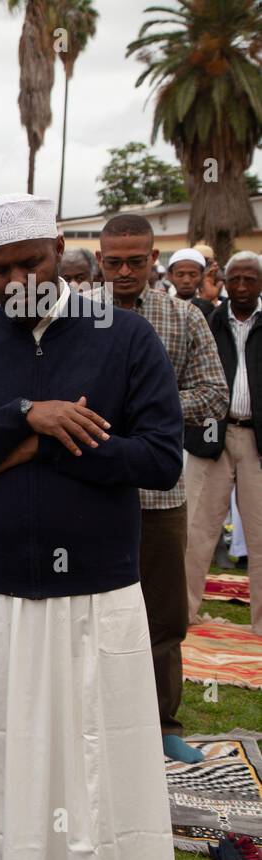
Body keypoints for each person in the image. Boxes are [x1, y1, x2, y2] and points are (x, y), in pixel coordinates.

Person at [0, 192, 181, 860]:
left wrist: (50, 446)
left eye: (30, 263)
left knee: (93, 756)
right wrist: (22, 417)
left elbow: (159, 458)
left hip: (94, 592)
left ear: (59, 249)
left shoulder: (124, 337)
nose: (17, 282)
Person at [93, 214, 229, 765]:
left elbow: (214, 394)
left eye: (136, 260)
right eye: (113, 261)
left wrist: (154, 408)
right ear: (100, 260)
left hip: (158, 493)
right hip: (91, 488)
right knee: (88, 607)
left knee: (162, 614)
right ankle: (92, 719)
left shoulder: (185, 317)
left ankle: (163, 722)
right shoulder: (77, 314)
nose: (124, 271)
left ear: (155, 259)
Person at [186, 252, 262, 637]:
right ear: (225, 283)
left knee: (261, 531)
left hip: (257, 441)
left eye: (250, 279)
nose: (243, 287)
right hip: (211, 436)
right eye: (235, 280)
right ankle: (184, 613)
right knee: (197, 529)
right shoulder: (208, 320)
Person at [167, 247, 217, 321]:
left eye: (193, 275)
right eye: (180, 275)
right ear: (170, 276)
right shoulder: (162, 307)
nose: (186, 280)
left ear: (202, 276)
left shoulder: (210, 310)